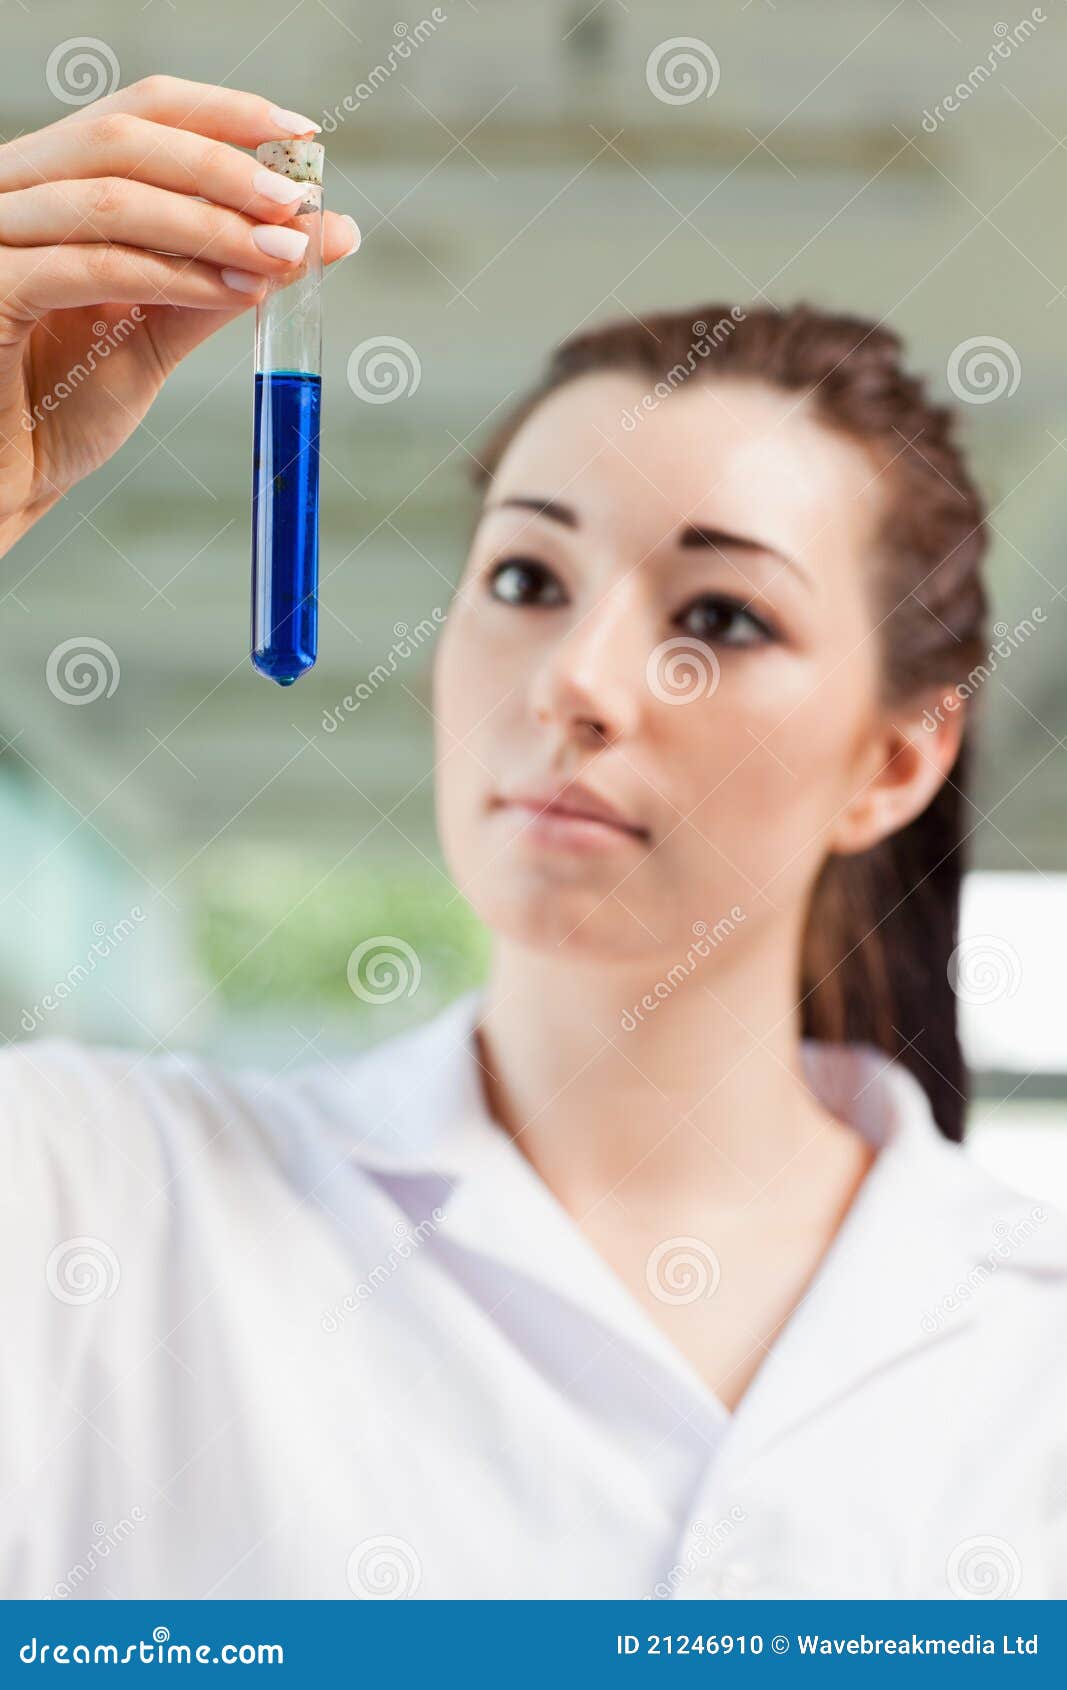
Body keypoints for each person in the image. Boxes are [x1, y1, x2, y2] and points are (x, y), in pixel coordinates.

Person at [0, 77, 1063, 1603]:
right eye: (524, 577)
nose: (576, 678)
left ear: (896, 757)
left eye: (719, 616)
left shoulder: (1036, 1346)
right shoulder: (95, 1209)